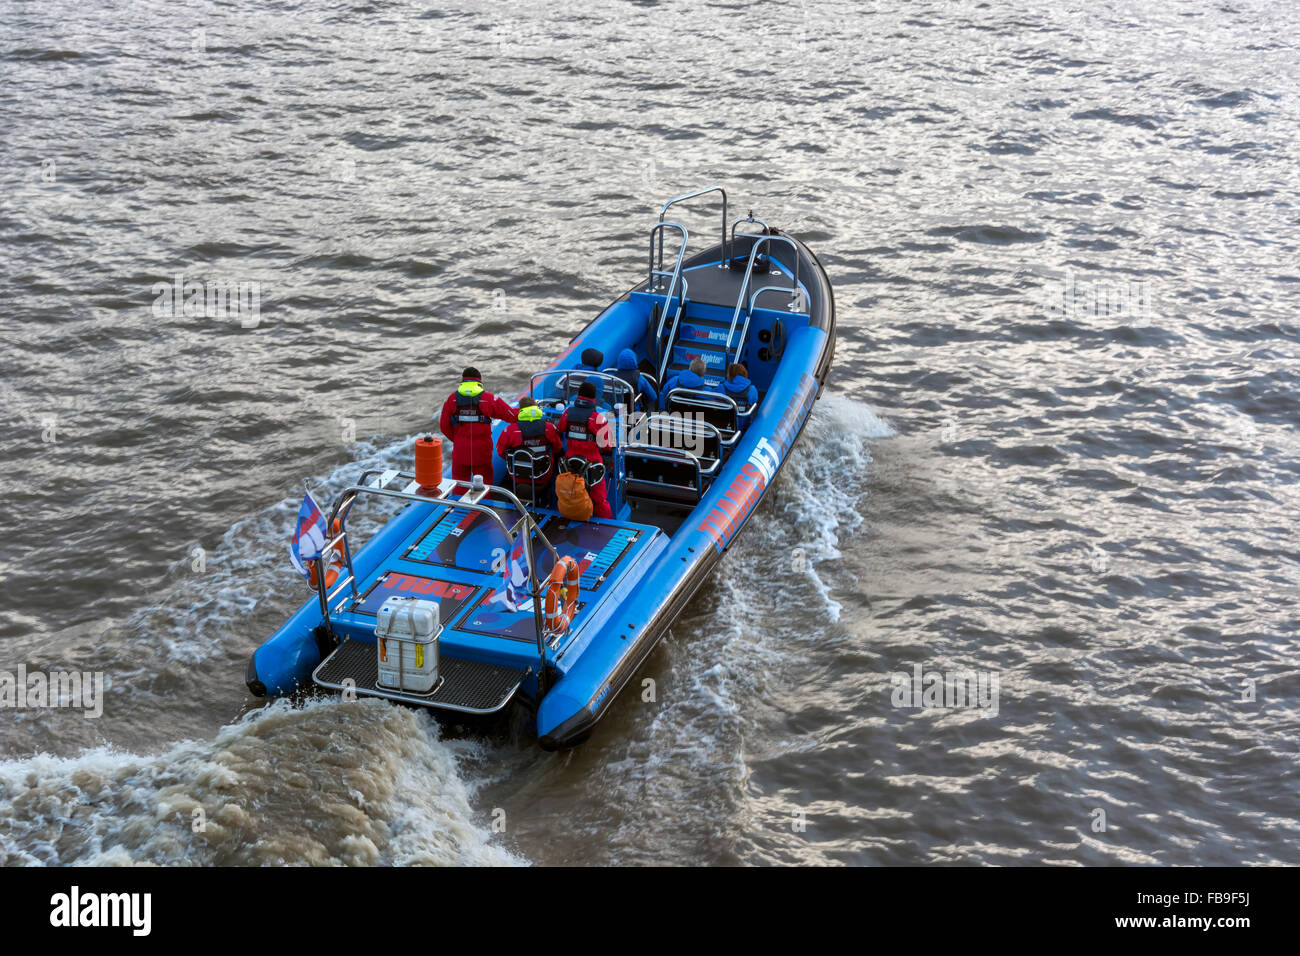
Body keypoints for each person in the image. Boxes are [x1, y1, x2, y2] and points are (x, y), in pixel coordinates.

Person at [439, 366, 517, 483]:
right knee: (484, 488)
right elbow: (511, 416)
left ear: (463, 381)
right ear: (479, 381)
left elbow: (444, 426)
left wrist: (458, 440)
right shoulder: (488, 399)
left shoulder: (452, 399)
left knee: (459, 487)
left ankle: (458, 501)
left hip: (460, 452)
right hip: (482, 453)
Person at [558, 381, 613, 519]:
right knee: (600, 500)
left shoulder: (567, 413)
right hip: (592, 466)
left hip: (570, 464)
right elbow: (607, 445)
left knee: (568, 493)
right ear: (594, 398)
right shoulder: (598, 418)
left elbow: (560, 429)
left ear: (578, 395)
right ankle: (606, 526)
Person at [495, 398, 563, 506]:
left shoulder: (510, 430)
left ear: (520, 411)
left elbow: (501, 452)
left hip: (518, 475)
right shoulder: (549, 428)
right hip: (543, 475)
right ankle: (549, 501)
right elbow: (558, 448)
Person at [713, 362, 759, 427]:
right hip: (744, 427)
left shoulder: (720, 388)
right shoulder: (752, 390)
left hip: (723, 425)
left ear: (729, 374)